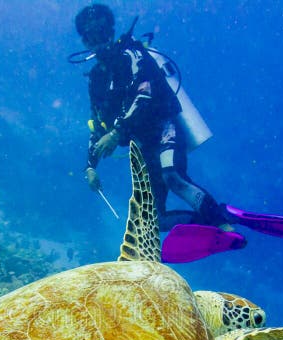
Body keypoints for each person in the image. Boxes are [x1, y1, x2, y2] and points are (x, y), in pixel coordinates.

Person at [75, 3, 234, 232]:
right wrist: (90, 167)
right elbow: (97, 125)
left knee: (173, 177)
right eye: (90, 36)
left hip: (164, 129)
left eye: (101, 32)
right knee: (153, 218)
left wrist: (116, 132)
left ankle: (225, 224)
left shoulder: (132, 54)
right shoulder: (96, 80)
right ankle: (213, 223)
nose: (98, 40)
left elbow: (144, 94)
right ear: (84, 41)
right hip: (142, 146)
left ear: (110, 30)